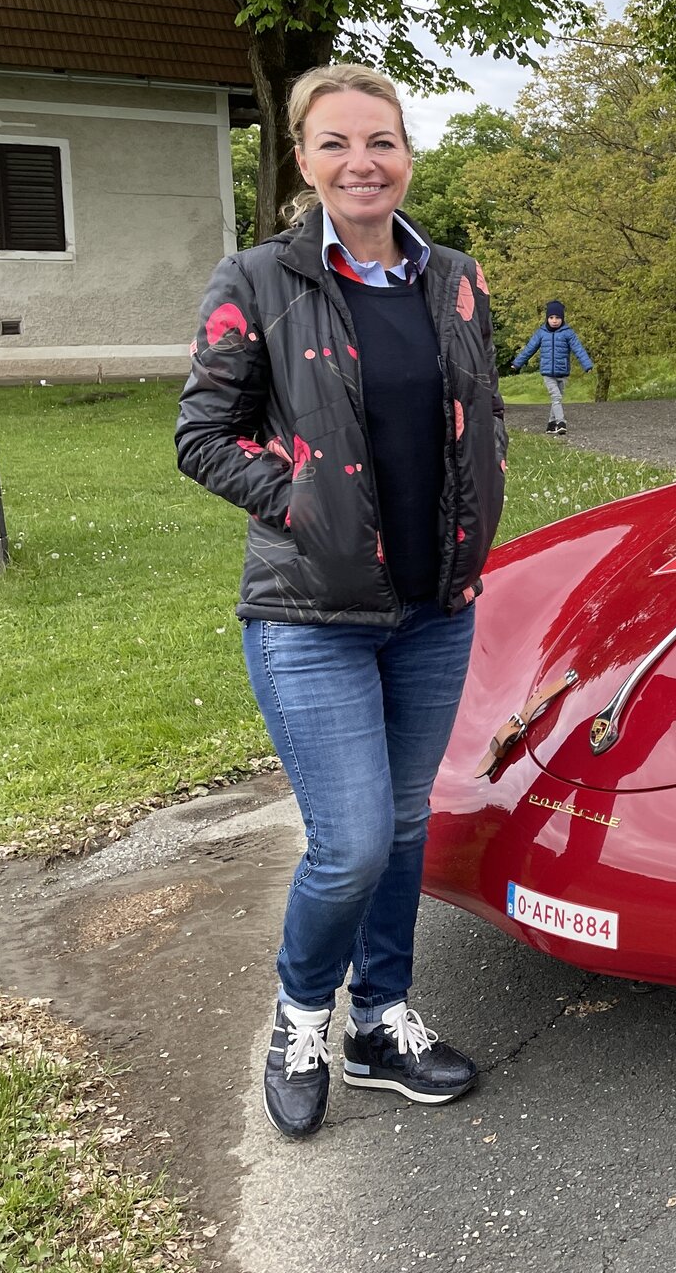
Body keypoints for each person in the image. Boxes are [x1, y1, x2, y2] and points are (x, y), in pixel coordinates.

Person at [177, 64, 506, 1139]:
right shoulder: (258, 279)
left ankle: (379, 1022)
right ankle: (302, 1014)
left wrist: (476, 508)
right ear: (302, 161)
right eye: (335, 143)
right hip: (311, 614)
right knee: (352, 842)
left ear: (407, 153)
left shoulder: (454, 278)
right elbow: (201, 436)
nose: (362, 162)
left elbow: (478, 413)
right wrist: (303, 501)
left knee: (405, 830)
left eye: (382, 141)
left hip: (433, 610)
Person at [512, 301, 595, 435]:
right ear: (547, 318)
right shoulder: (541, 333)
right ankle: (561, 423)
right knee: (556, 397)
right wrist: (517, 363)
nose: (554, 321)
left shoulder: (568, 333)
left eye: (557, 318)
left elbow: (578, 349)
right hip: (548, 372)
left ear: (562, 319)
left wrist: (587, 365)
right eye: (551, 318)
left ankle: (551, 425)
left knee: (557, 399)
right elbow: (529, 349)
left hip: (563, 371)